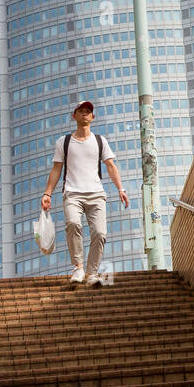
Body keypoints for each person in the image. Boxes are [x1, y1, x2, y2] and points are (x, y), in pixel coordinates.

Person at [40, 100, 129, 285]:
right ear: (74, 116)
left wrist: (120, 189)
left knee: (100, 233)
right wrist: (47, 193)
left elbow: (110, 166)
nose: (85, 114)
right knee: (73, 223)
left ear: (93, 117)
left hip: (96, 194)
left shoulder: (99, 141)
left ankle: (93, 273)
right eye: (81, 111)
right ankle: (78, 268)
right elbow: (56, 169)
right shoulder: (63, 142)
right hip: (72, 193)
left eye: (88, 112)